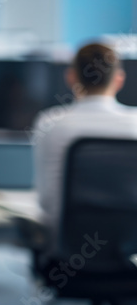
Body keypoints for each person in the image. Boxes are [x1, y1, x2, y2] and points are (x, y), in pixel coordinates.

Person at [30, 42, 137, 254]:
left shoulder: (49, 123)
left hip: (66, 254)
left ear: (71, 77)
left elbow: (44, 201)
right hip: (128, 254)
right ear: (119, 79)